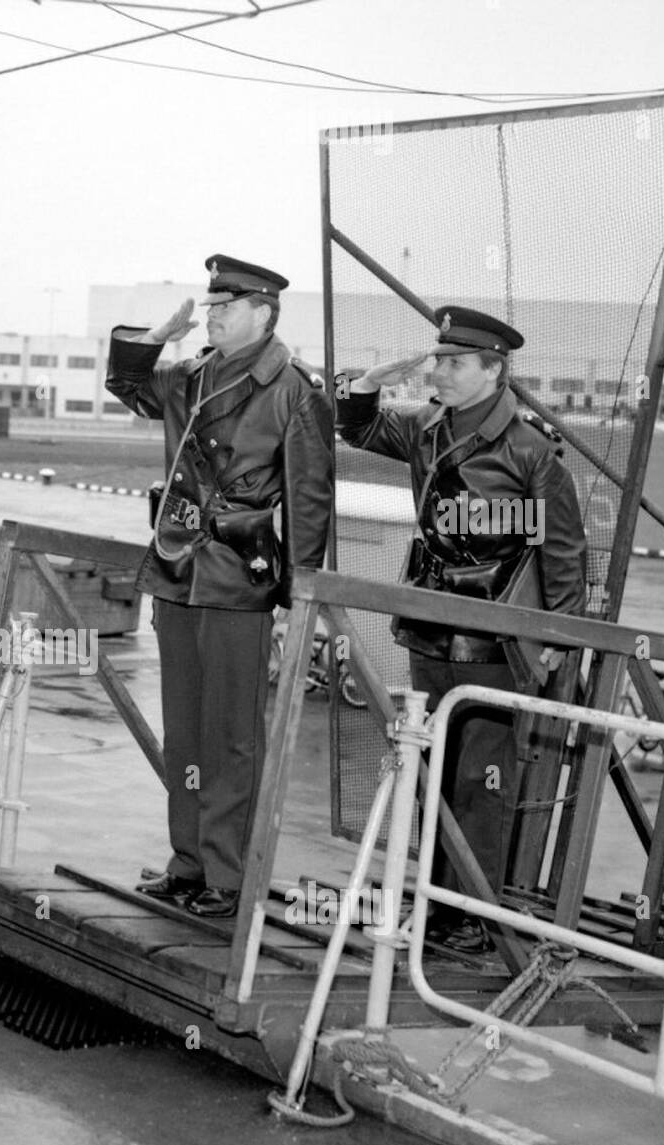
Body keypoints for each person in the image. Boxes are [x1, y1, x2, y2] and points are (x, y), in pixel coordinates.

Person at [338, 305, 587, 953]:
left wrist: (558, 644)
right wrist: (368, 383)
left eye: (454, 363)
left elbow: (561, 556)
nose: (439, 372)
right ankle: (440, 903)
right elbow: (358, 430)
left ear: (493, 370)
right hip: (429, 622)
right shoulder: (427, 429)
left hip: (491, 633)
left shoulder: (530, 450)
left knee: (482, 778)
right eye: (439, 360)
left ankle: (474, 914)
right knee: (435, 770)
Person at [106, 255, 335, 918]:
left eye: (224, 307)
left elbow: (310, 495)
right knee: (185, 731)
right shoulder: (190, 375)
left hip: (239, 575)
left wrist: (301, 595)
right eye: (209, 306)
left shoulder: (293, 388)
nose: (211, 315)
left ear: (264, 313)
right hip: (178, 566)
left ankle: (229, 878)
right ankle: (189, 863)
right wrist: (157, 334)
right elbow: (128, 384)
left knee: (231, 735)